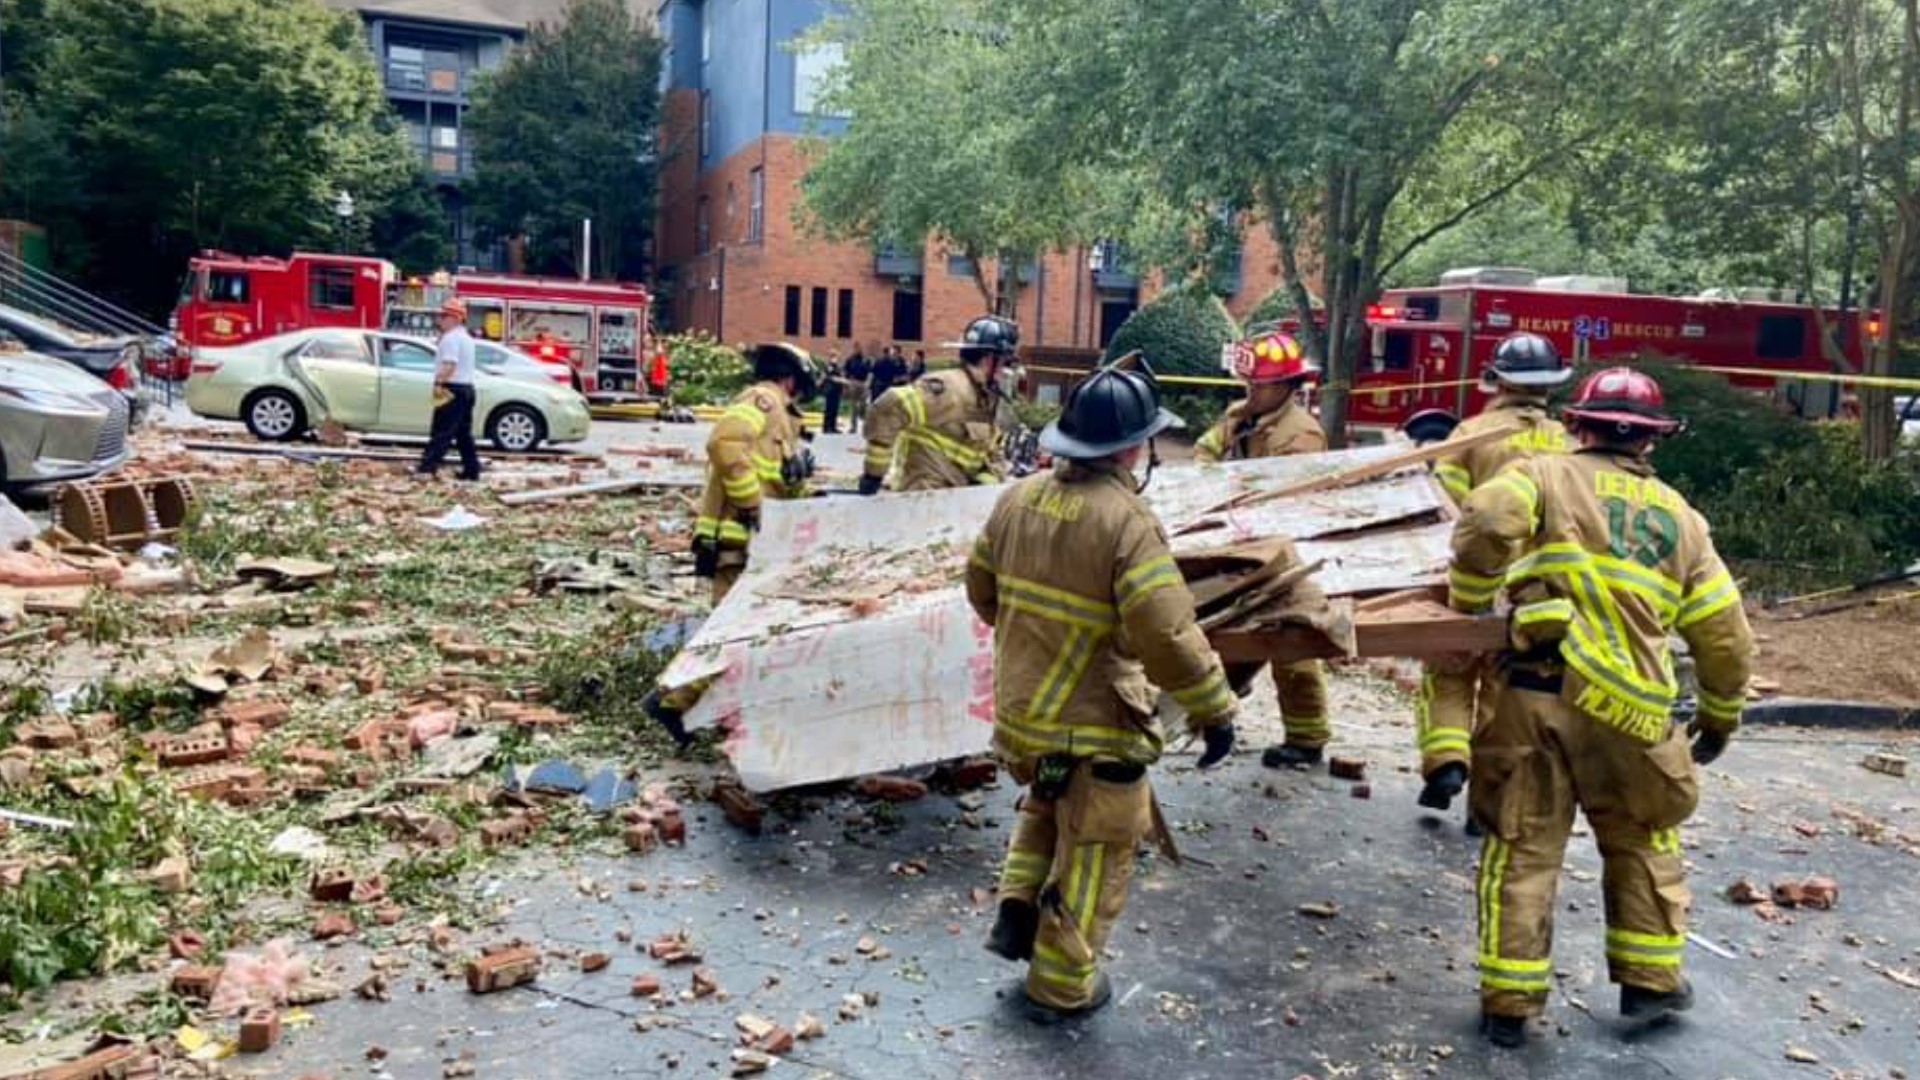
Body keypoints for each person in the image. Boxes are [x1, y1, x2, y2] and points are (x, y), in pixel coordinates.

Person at [1448, 367, 1753, 1049]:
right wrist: (1719, 715)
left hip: (1536, 694)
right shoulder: (1682, 518)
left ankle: (1508, 1004)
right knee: (1643, 839)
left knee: (1523, 847)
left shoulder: (1539, 476)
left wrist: (1470, 598)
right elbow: (1725, 634)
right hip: (1635, 713)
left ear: (1578, 424)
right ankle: (1648, 984)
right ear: (1651, 440)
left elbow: (1486, 521)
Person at [967, 363, 1237, 1024]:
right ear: (1128, 447)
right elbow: (1167, 633)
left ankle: (1018, 907)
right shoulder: (1126, 521)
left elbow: (981, 591)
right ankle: (1061, 984)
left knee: (1045, 807)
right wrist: (1215, 708)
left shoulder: (1017, 499)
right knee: (1098, 848)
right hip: (1094, 726)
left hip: (1026, 720)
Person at [1414, 332, 1574, 813]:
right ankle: (1487, 801)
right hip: (1537, 590)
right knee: (1507, 688)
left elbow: (1441, 507)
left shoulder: (1471, 435)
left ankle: (1446, 760)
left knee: (1449, 669)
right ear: (1551, 384)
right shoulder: (1568, 443)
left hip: (1471, 577)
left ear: (1497, 379)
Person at [642, 342, 820, 742]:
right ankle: (671, 703)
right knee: (734, 637)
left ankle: (702, 708)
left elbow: (772, 479)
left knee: (743, 634)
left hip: (754, 549)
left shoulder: (782, 419)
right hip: (736, 543)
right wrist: (754, 506)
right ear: (791, 380)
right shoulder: (763, 401)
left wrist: (802, 490)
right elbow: (723, 444)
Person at [1192, 332, 1333, 768]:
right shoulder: (1241, 416)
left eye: (1260, 385)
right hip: (1239, 543)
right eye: (1248, 383)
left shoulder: (1302, 435)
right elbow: (1203, 454)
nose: (1250, 391)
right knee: (1230, 632)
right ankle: (1215, 711)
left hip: (1285, 551)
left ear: (1288, 387)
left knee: (1291, 643)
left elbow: (1286, 496)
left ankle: (1307, 739)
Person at [859, 316, 1015, 493]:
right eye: (1004, 362)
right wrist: (873, 475)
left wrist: (982, 488)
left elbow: (993, 453)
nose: (1006, 370)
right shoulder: (948, 388)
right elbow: (888, 408)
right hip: (922, 498)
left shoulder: (987, 399)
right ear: (988, 359)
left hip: (957, 502)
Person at [416, 297, 482, 482]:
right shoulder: (467, 338)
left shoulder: (451, 339)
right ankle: (472, 469)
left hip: (451, 387)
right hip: (466, 389)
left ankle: (426, 469)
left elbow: (449, 365)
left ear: (456, 318)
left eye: (444, 316)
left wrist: (438, 383)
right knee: (462, 433)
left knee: (441, 430)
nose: (440, 319)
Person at [844, 346, 872, 433]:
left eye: (859, 349)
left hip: (863, 383)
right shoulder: (850, 360)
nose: (858, 351)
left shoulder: (866, 360)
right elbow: (845, 371)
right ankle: (853, 427)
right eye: (856, 349)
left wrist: (868, 383)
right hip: (854, 382)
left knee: (864, 405)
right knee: (854, 406)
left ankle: (865, 422)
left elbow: (870, 372)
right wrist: (847, 383)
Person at [822, 349, 845, 434]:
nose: (835, 358)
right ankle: (826, 427)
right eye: (834, 356)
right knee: (829, 408)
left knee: (835, 409)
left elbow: (840, 375)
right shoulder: (830, 366)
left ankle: (833, 426)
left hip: (837, 390)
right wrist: (838, 380)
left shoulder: (837, 366)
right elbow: (828, 376)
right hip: (831, 390)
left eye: (836, 356)